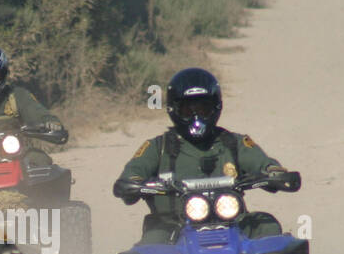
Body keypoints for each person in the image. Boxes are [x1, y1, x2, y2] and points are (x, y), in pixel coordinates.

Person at [113, 67, 293, 244]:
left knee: (267, 225)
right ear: (173, 110)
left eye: (203, 109)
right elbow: (132, 174)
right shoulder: (157, 147)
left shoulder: (235, 143)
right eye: (187, 110)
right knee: (152, 243)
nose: (196, 117)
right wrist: (133, 184)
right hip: (172, 228)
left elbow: (262, 163)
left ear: (216, 107)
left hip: (233, 222)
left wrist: (273, 172)